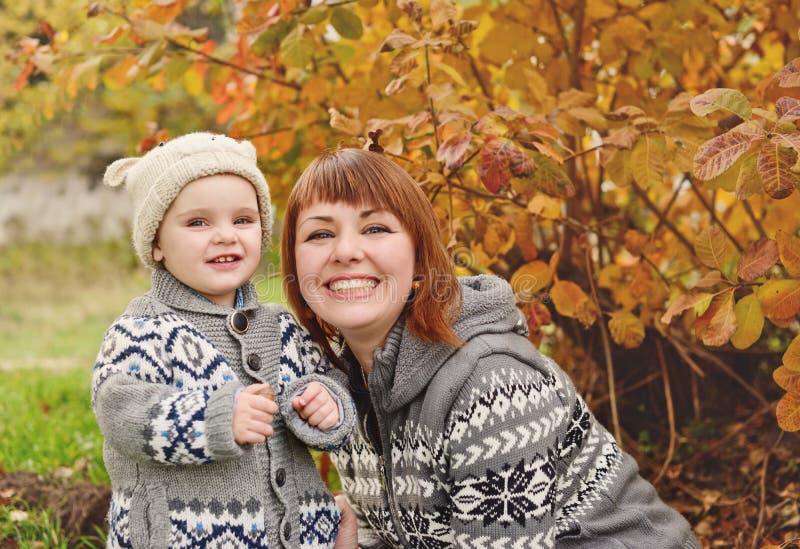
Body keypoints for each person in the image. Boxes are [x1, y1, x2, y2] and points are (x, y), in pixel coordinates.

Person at [280, 148, 700, 548]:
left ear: (420, 258)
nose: (346, 252)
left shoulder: (492, 386)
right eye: (320, 233)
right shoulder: (345, 393)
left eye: (375, 228)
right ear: (295, 265)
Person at [93, 132, 356, 548]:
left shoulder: (281, 329)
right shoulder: (143, 332)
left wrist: (325, 403)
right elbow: (120, 412)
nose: (225, 236)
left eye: (243, 220)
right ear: (156, 242)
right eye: (198, 222)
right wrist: (211, 420)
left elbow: (329, 384)